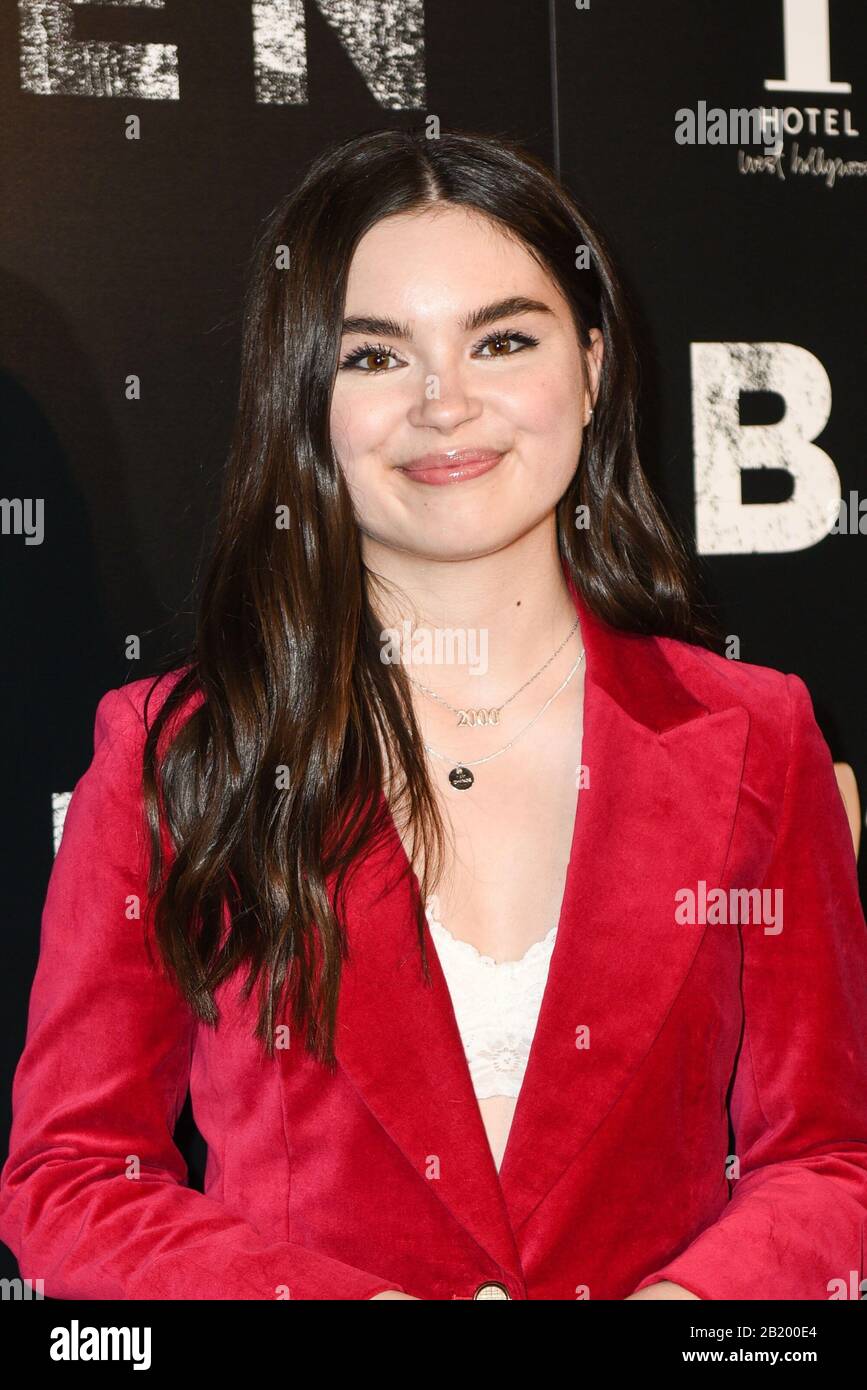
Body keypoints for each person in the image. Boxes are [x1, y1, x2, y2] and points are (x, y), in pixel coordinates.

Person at [1, 128, 866, 1301]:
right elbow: (73, 1175)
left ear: (595, 367)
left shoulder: (757, 735)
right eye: (374, 357)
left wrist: (689, 1313)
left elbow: (831, 1160)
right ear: (306, 397)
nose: (444, 404)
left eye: (503, 339)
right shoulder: (182, 753)